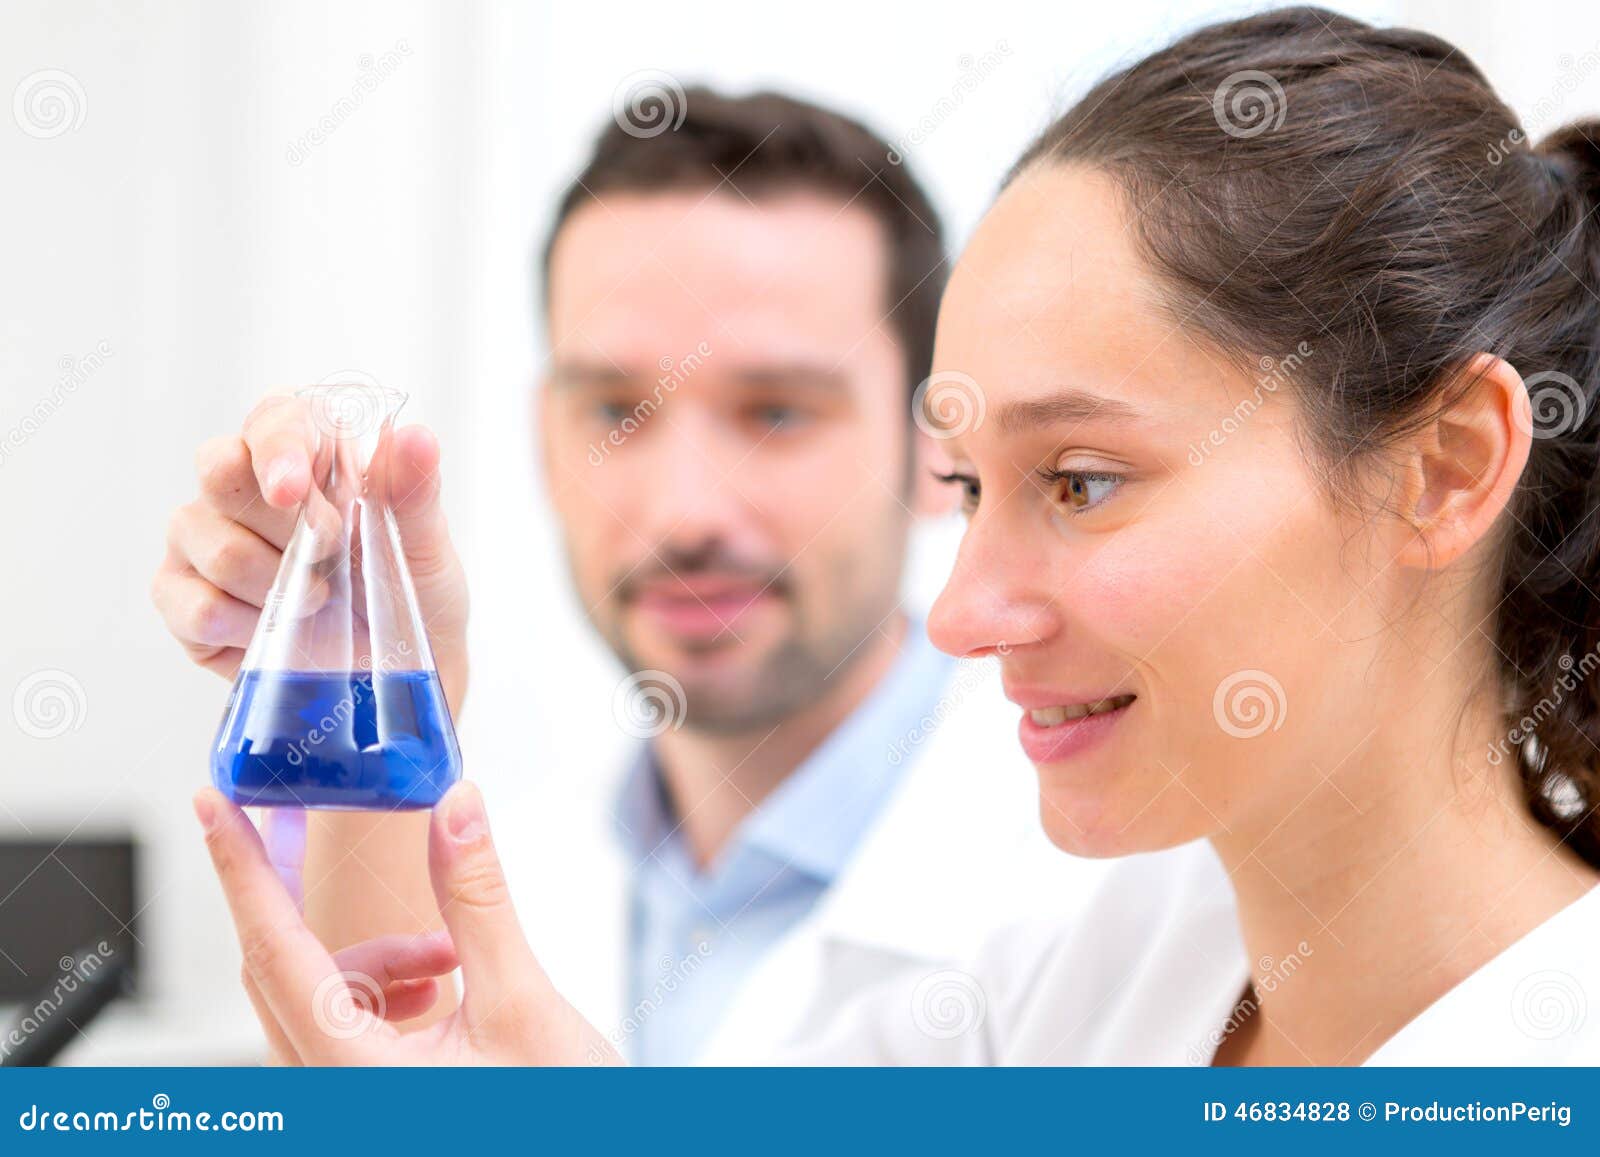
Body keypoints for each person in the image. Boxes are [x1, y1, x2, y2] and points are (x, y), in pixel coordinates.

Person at [192, 4, 1600, 1066]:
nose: (964, 612)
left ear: (1445, 468)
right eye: (977, 485)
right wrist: (375, 691)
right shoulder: (1058, 988)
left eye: (1083, 480)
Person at [156, 88, 1093, 1065]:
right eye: (614, 411)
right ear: (544, 440)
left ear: (940, 447)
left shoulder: (1111, 889)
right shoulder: (520, 858)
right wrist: (367, 682)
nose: (685, 510)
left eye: (776, 412)